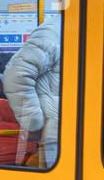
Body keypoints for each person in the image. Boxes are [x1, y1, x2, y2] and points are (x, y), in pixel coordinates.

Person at [4, 12, 62, 167]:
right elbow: (16, 75)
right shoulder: (55, 31)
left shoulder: (99, 30)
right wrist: (35, 121)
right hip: (58, 136)